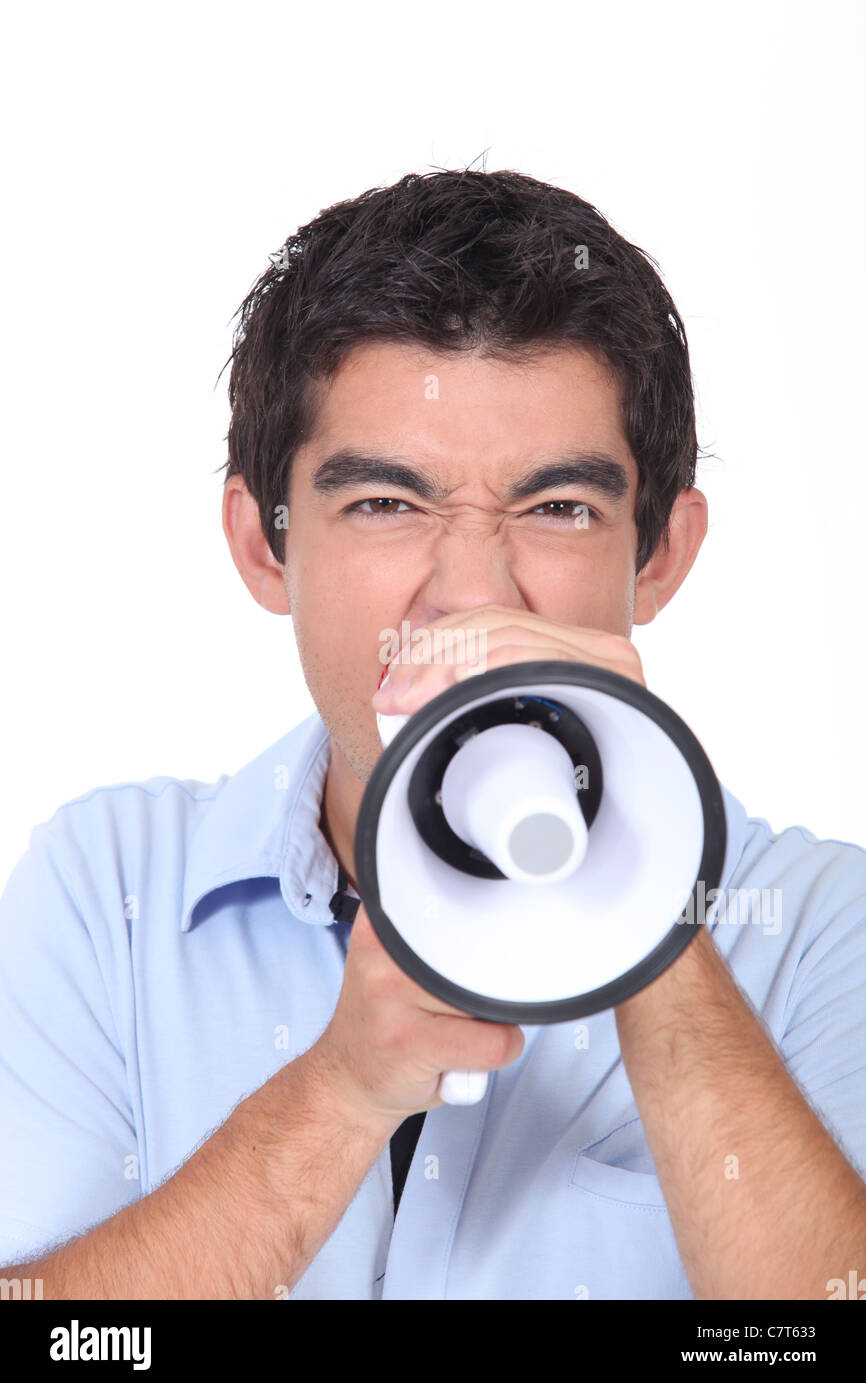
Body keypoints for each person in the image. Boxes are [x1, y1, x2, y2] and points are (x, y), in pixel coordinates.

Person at [1, 169, 865, 1301]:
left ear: (657, 556)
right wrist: (340, 1092)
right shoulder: (104, 888)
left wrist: (650, 931)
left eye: (557, 508)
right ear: (265, 549)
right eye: (384, 504)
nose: (467, 593)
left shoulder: (814, 928)